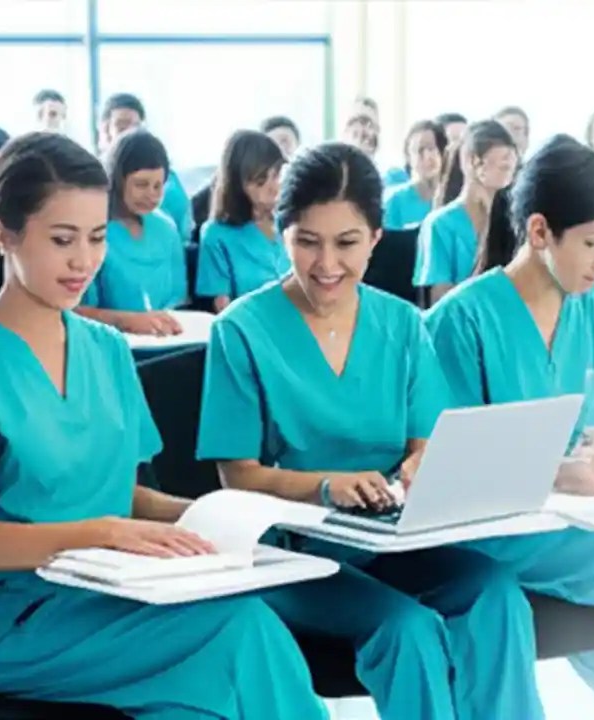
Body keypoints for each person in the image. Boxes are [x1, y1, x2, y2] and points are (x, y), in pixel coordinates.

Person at [0, 131, 326, 719]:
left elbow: (120, 497)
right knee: (244, 632)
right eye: (62, 240)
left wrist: (215, 518)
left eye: (97, 237)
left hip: (123, 593)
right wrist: (102, 532)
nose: (84, 261)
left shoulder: (107, 348)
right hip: (14, 622)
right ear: (2, 232)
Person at [196, 141, 542, 720]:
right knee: (406, 628)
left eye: (346, 243)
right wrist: (329, 486)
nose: (326, 264)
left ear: (377, 238)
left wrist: (418, 468)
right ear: (281, 233)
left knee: (497, 593)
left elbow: (424, 442)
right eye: (306, 241)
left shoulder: (403, 323)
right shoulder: (241, 331)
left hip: (386, 539)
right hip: (287, 551)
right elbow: (237, 475)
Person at [425, 135, 594, 718]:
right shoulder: (461, 320)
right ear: (541, 231)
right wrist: (555, 472)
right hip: (487, 534)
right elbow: (445, 468)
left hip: (572, 527)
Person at [77, 129, 185, 336]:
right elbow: (73, 312)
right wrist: (128, 321)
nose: (151, 195)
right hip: (106, 341)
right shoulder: (92, 231)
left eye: (158, 186)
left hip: (166, 340)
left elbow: (179, 297)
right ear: (117, 179)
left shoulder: (166, 228)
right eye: (141, 185)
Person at [414, 120, 518, 302]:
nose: (510, 177)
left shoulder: (513, 222)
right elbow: (440, 304)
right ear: (472, 162)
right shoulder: (440, 225)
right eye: (504, 167)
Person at [195, 130, 289, 310]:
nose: (274, 187)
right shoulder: (216, 233)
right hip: (251, 328)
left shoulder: (289, 222)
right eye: (261, 181)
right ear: (239, 182)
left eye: (277, 175)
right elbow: (223, 308)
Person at [97, 93, 192, 240]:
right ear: (105, 130)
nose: (130, 135)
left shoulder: (169, 185)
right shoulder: (91, 184)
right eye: (122, 127)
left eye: (136, 128)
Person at [382, 120, 447, 229]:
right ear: (408, 157)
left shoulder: (454, 198)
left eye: (431, 148)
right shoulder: (395, 201)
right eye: (419, 150)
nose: (428, 156)